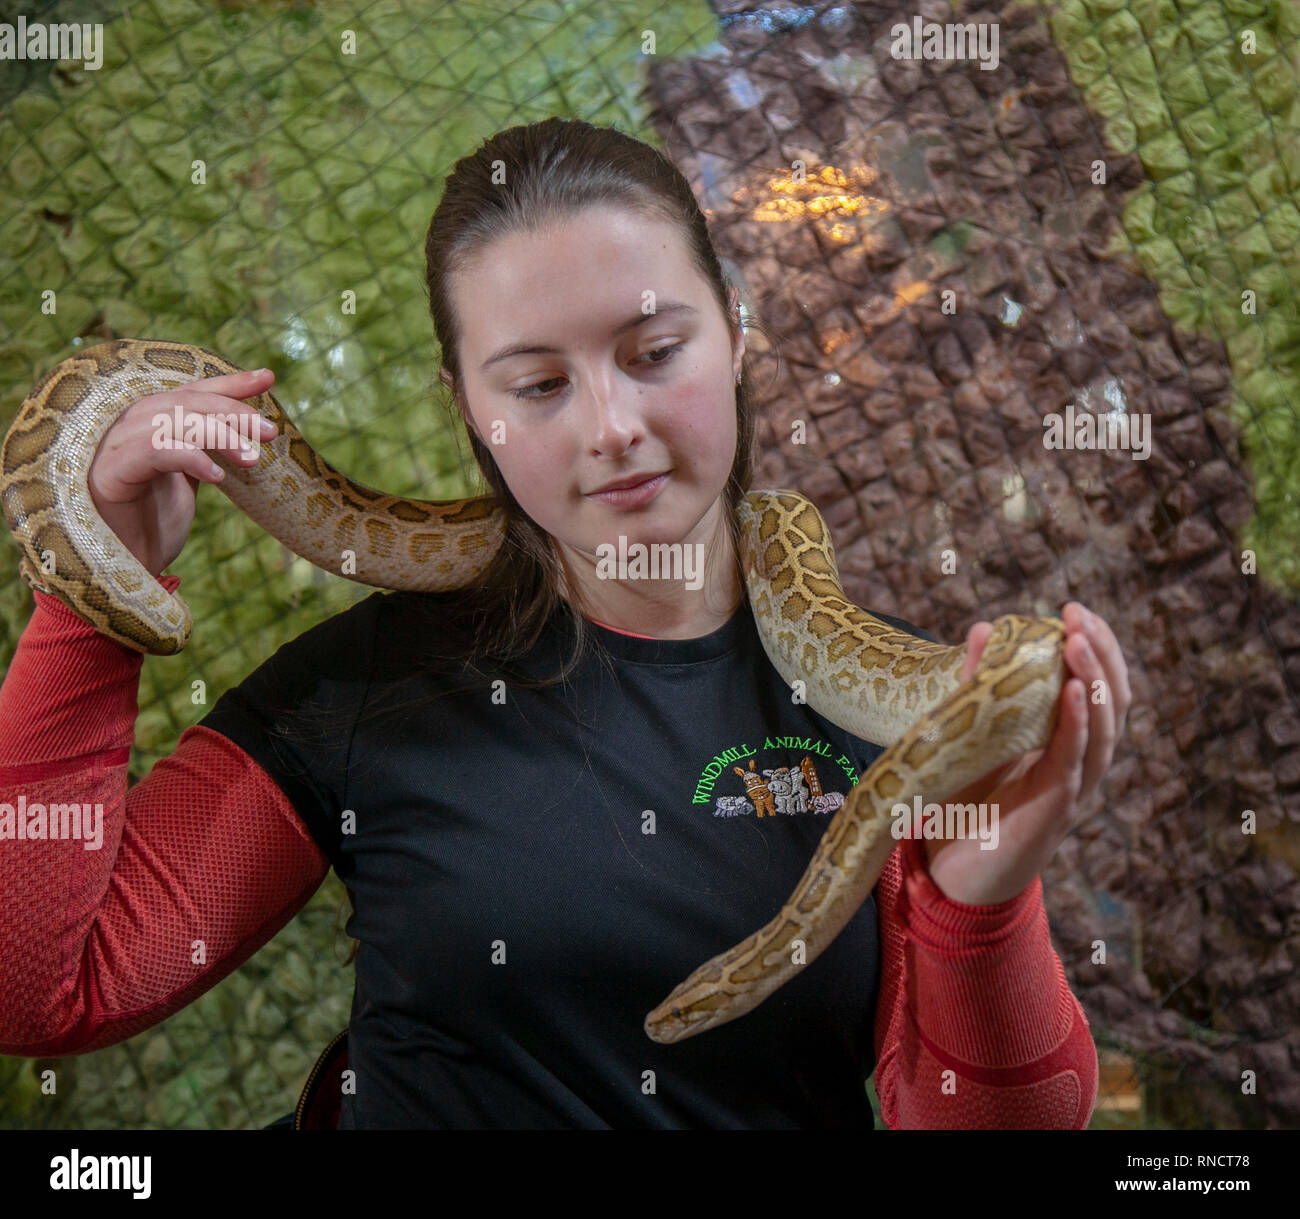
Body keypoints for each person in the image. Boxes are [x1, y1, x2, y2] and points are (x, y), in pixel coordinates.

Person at [0, 117, 1128, 1129]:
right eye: (538, 384)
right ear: (467, 407)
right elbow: (40, 989)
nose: (611, 427)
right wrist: (93, 591)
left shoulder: (907, 705)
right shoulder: (367, 683)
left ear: (736, 333)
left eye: (655, 352)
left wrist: (980, 904)